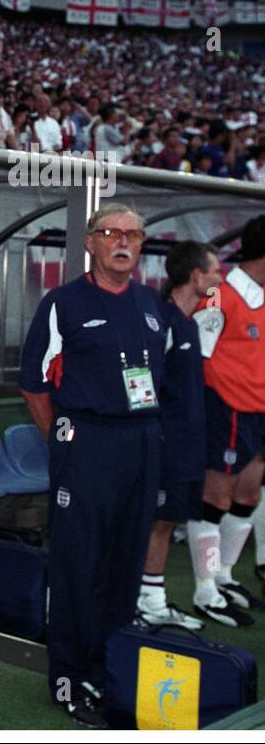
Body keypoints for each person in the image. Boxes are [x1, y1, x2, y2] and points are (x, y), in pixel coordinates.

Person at [20, 203, 167, 728]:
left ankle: (111, 666)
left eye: (133, 233)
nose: (123, 242)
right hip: (87, 444)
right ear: (91, 241)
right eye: (111, 233)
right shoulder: (64, 303)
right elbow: (34, 384)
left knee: (124, 564)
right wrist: (64, 442)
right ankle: (69, 676)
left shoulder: (152, 305)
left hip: (141, 442)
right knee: (78, 564)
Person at [138, 241, 220, 630]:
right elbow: (144, 382)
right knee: (157, 522)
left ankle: (151, 598)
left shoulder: (189, 321)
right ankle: (147, 603)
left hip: (188, 444)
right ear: (195, 275)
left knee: (168, 522)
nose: (219, 277)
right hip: (166, 444)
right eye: (214, 271)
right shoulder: (162, 320)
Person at [194, 215, 265, 621]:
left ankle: (224, 575)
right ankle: (204, 588)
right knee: (215, 497)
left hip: (259, 410)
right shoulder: (222, 293)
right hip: (227, 408)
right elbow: (198, 354)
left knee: (249, 496)